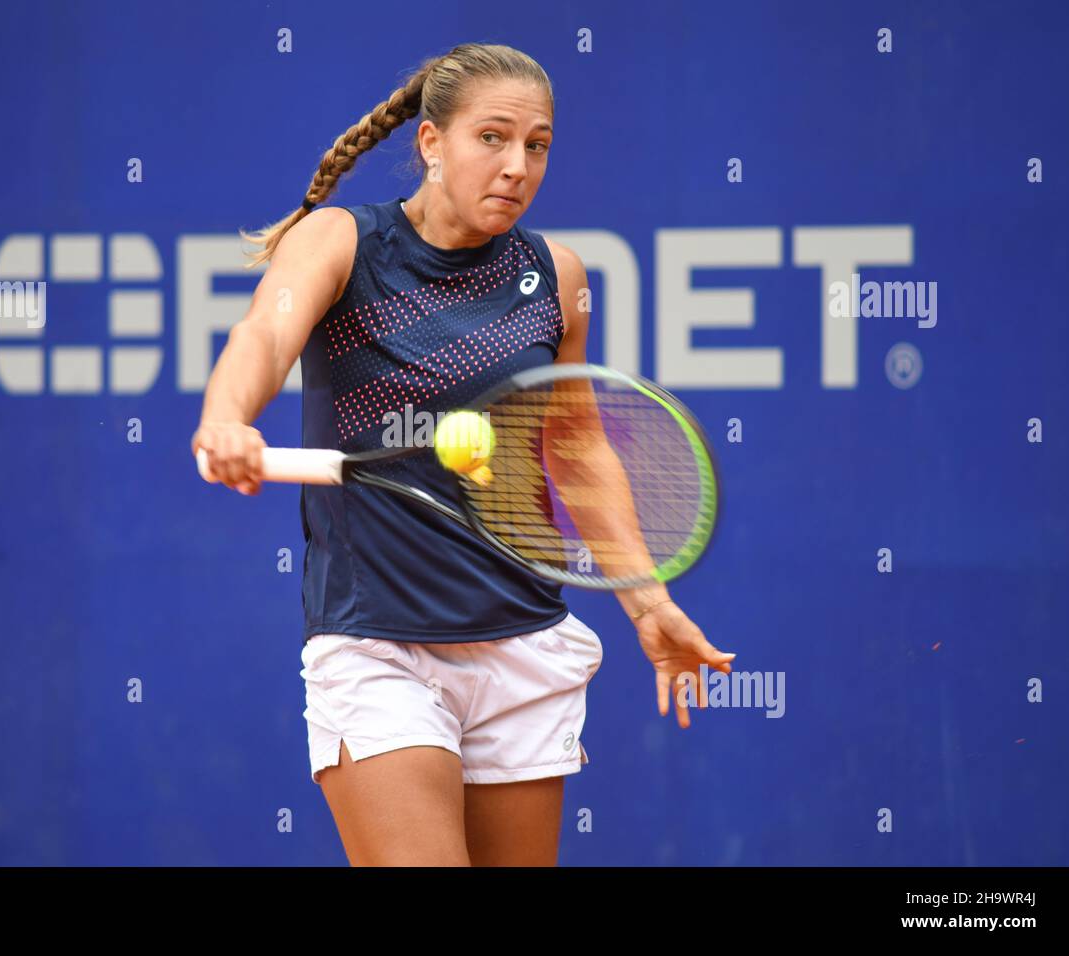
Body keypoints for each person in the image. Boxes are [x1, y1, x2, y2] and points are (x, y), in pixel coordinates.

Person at [192, 42, 734, 866]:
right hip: (379, 647)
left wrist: (648, 604)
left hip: (521, 642)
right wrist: (229, 414)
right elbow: (266, 331)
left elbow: (578, 448)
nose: (518, 166)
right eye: (493, 138)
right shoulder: (341, 242)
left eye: (538, 144)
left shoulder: (556, 274)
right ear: (431, 142)